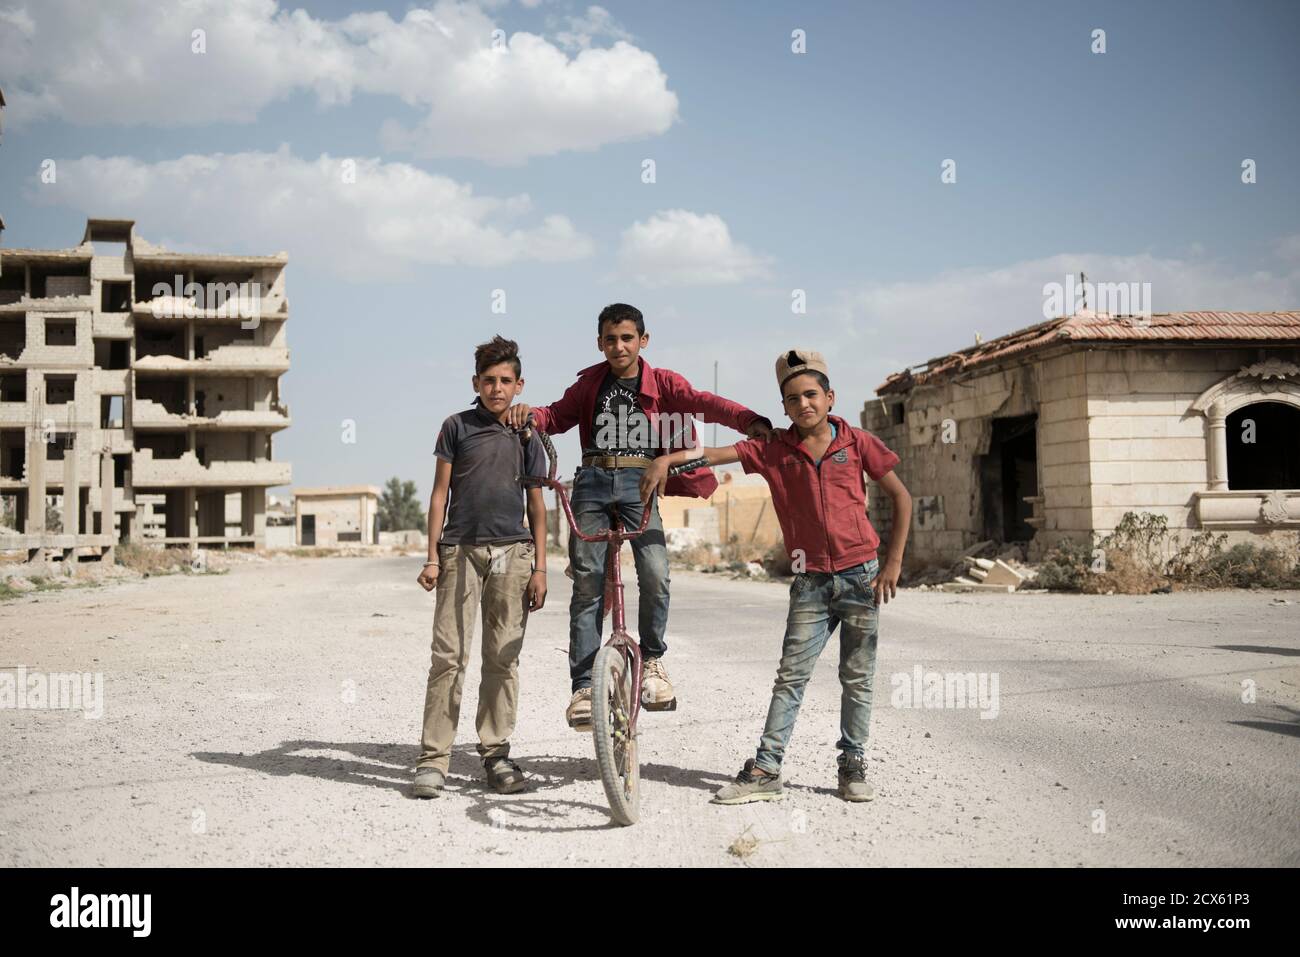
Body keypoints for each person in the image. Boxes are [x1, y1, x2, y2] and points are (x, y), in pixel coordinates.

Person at [639, 349, 912, 803]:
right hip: (810, 583)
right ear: (783, 408)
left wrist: (894, 563)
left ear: (830, 397)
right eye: (792, 399)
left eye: (811, 395)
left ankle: (852, 764)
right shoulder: (772, 449)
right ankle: (767, 770)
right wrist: (668, 460)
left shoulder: (858, 442)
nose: (803, 404)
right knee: (791, 676)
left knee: (858, 676)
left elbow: (901, 498)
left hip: (860, 577)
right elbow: (713, 452)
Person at [505, 303, 772, 728]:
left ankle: (652, 663)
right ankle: (582, 687)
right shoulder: (590, 383)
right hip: (592, 481)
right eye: (610, 339)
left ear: (642, 341)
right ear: (599, 343)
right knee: (587, 583)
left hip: (640, 483)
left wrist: (750, 421)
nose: (619, 346)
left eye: (627, 338)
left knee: (655, 571)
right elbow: (555, 416)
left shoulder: (663, 383)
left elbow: (706, 403)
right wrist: (531, 415)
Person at [412, 336, 549, 798]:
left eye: (505, 381)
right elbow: (439, 495)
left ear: (518, 384)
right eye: (488, 380)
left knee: (502, 658)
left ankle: (496, 754)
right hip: (459, 551)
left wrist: (542, 567)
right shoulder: (456, 427)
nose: (496, 388)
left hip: (514, 553)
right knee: (448, 657)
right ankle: (433, 759)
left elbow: (537, 503)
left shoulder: (527, 433)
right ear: (475, 382)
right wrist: (432, 555)